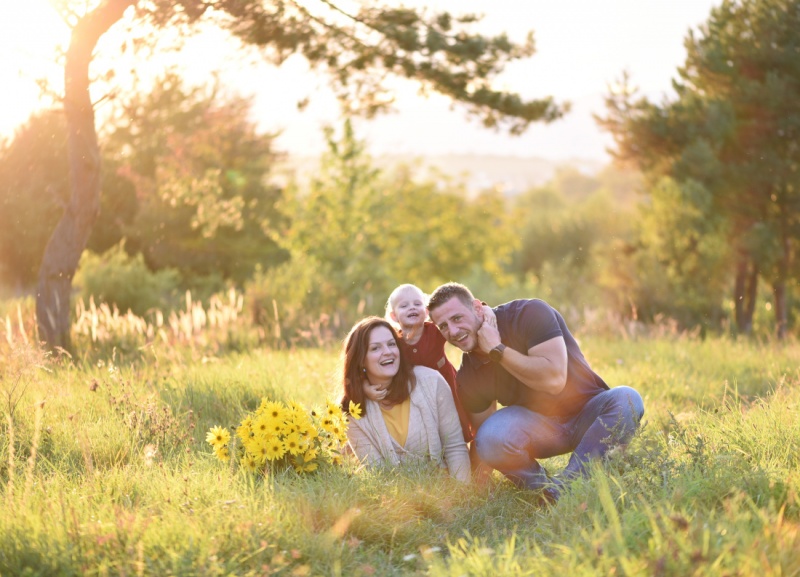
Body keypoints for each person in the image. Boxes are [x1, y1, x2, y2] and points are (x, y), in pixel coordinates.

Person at [426, 282, 644, 500]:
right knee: (489, 437)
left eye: (457, 318)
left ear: (476, 307)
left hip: (590, 416)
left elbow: (554, 380)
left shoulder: (528, 314)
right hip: (541, 430)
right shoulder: (469, 375)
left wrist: (497, 350)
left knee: (628, 398)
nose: (452, 331)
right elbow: (483, 442)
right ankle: (543, 489)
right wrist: (472, 491)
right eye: (443, 326)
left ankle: (566, 487)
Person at [339, 316, 470, 482]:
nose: (388, 351)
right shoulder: (352, 412)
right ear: (360, 360)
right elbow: (378, 473)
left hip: (447, 490)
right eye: (375, 348)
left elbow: (455, 447)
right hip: (399, 502)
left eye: (391, 344)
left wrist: (463, 496)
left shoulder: (431, 382)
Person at [384, 283, 474, 443]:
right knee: (427, 424)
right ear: (394, 316)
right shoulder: (394, 341)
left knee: (455, 419)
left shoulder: (435, 330)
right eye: (404, 306)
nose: (412, 308)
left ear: (426, 312)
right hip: (416, 391)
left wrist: (486, 312)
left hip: (447, 385)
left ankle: (461, 450)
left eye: (417, 304)